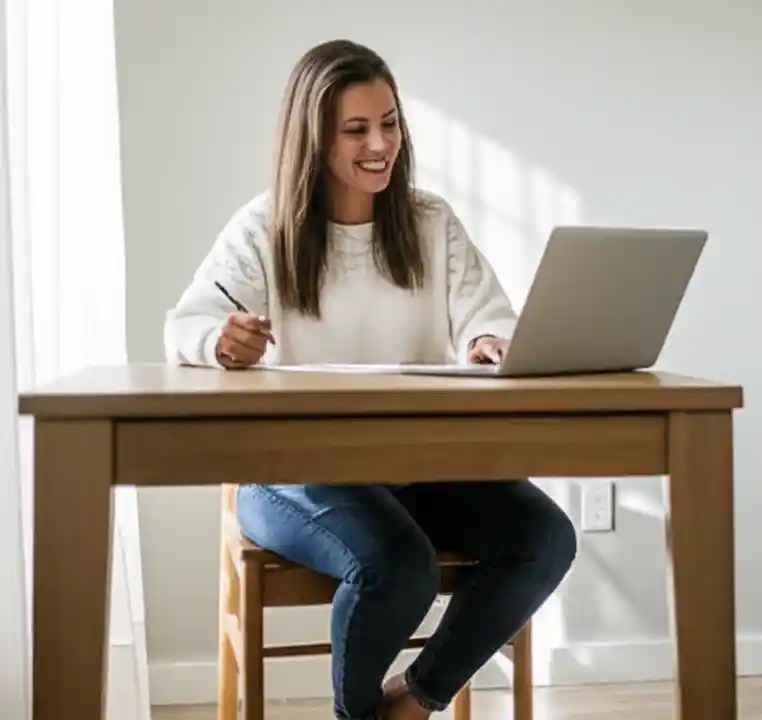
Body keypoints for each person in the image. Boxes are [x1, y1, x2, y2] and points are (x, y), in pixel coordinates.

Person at [163, 39, 577, 720]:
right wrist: (219, 340)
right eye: (356, 129)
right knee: (398, 565)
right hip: (292, 470)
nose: (380, 142)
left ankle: (415, 702)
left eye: (389, 122)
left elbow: (490, 321)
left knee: (544, 537)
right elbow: (187, 325)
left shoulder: (430, 221)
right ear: (314, 136)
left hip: (421, 463)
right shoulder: (265, 226)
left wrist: (487, 341)